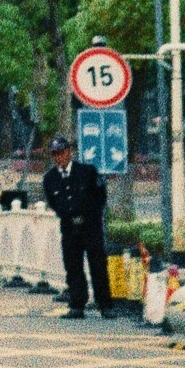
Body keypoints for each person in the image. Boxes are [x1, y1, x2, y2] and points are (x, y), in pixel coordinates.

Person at [42, 135, 119, 319]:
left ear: (69, 152)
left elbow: (100, 196)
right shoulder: (50, 178)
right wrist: (66, 214)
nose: (58, 158)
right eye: (54, 154)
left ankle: (105, 305)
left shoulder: (87, 172)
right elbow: (53, 201)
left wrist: (91, 216)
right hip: (69, 227)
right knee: (73, 266)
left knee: (98, 265)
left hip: (90, 226)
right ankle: (77, 304)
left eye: (61, 153)